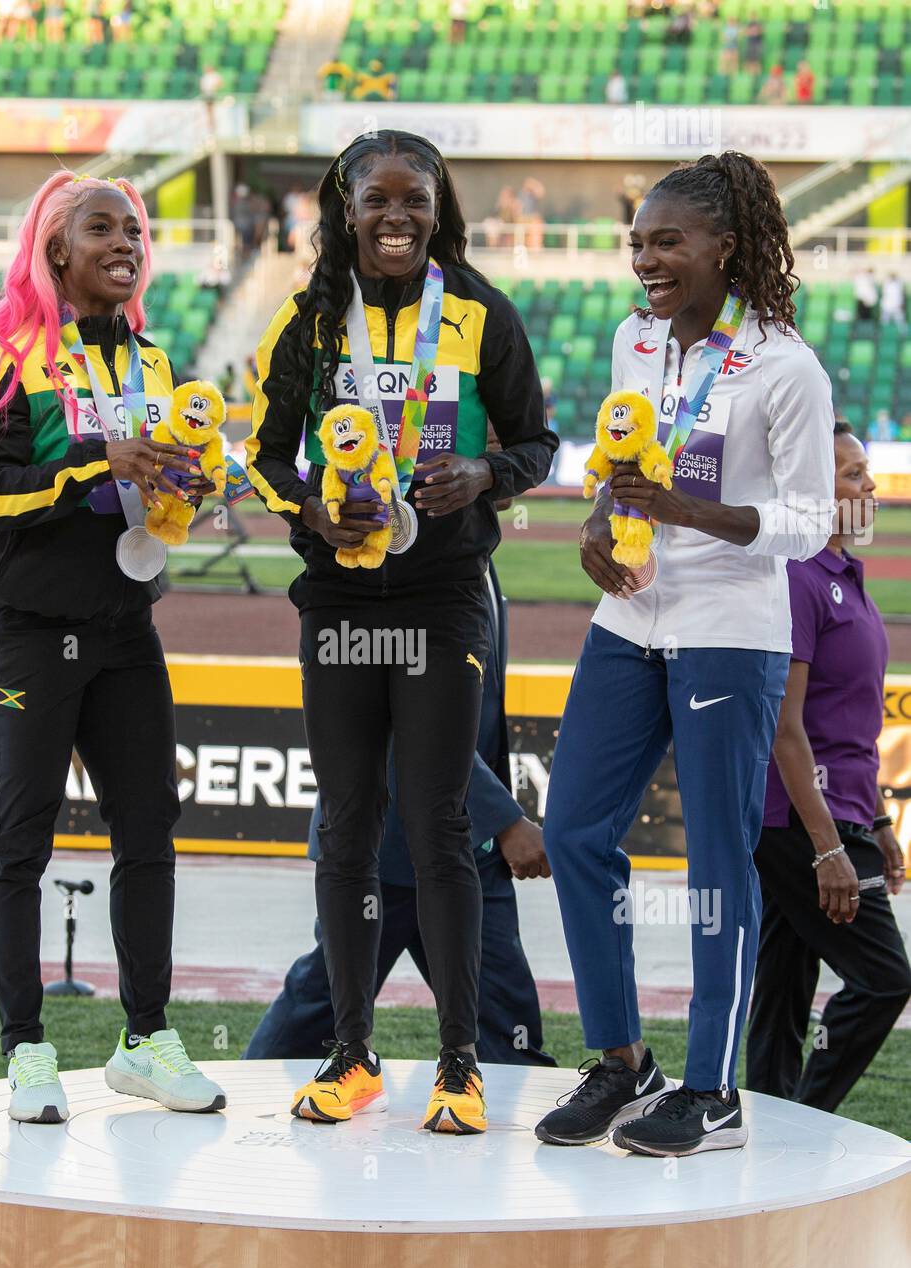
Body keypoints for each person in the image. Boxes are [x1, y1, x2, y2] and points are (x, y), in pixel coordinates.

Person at [243, 129, 556, 1133]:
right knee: (344, 827)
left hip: (442, 595)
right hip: (340, 596)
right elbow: (261, 456)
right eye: (377, 200)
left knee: (437, 824)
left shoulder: (475, 311)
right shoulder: (312, 321)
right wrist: (310, 514)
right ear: (347, 210)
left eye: (415, 200)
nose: (397, 218)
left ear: (438, 206)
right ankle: (351, 1054)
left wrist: (483, 474)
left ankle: (459, 1065)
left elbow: (542, 441)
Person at [0, 172, 224, 1124]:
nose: (126, 241)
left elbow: (155, 496)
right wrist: (95, 463)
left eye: (133, 229)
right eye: (102, 229)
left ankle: (145, 1039)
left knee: (149, 832)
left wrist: (185, 487)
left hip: (125, 627)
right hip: (29, 631)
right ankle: (27, 1050)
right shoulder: (9, 355)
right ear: (57, 251)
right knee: (21, 840)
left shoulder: (155, 362)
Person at [539, 150, 836, 1157]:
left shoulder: (785, 365)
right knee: (575, 828)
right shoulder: (636, 339)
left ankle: (713, 1090)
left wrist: (688, 511)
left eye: (667, 242)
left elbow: (809, 519)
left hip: (728, 631)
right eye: (638, 244)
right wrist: (595, 519)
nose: (647, 262)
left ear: (726, 246)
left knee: (714, 863)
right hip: (631, 618)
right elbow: (620, 458)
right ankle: (625, 1061)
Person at [246, 549, 558, 1068]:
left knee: (508, 1036)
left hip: (465, 846)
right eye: (491, 463)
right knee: (317, 1011)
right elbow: (393, 719)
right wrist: (504, 821)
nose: (506, 473)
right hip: (386, 847)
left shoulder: (477, 554)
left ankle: (495, 1128)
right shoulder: (398, 559)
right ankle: (246, 1101)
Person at [747, 422, 910, 1111]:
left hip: (839, 812)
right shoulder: (797, 578)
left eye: (865, 472)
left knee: (784, 982)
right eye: (850, 474)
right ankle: (807, 1117)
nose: (868, 486)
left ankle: (762, 1116)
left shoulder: (845, 574)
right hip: (798, 819)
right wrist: (825, 849)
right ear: (810, 487)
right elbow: (784, 728)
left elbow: (846, 727)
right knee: (882, 978)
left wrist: (876, 820)